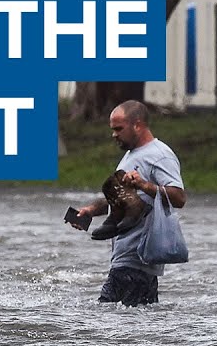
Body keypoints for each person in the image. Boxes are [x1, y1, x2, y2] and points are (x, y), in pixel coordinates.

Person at [68, 100, 185, 306]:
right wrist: (90, 211)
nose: (114, 134)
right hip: (127, 259)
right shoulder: (131, 156)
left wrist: (143, 185)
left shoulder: (160, 155)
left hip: (136, 258)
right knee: (129, 326)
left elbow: (178, 197)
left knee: (106, 321)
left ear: (137, 125)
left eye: (118, 129)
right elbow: (121, 198)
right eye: (112, 130)